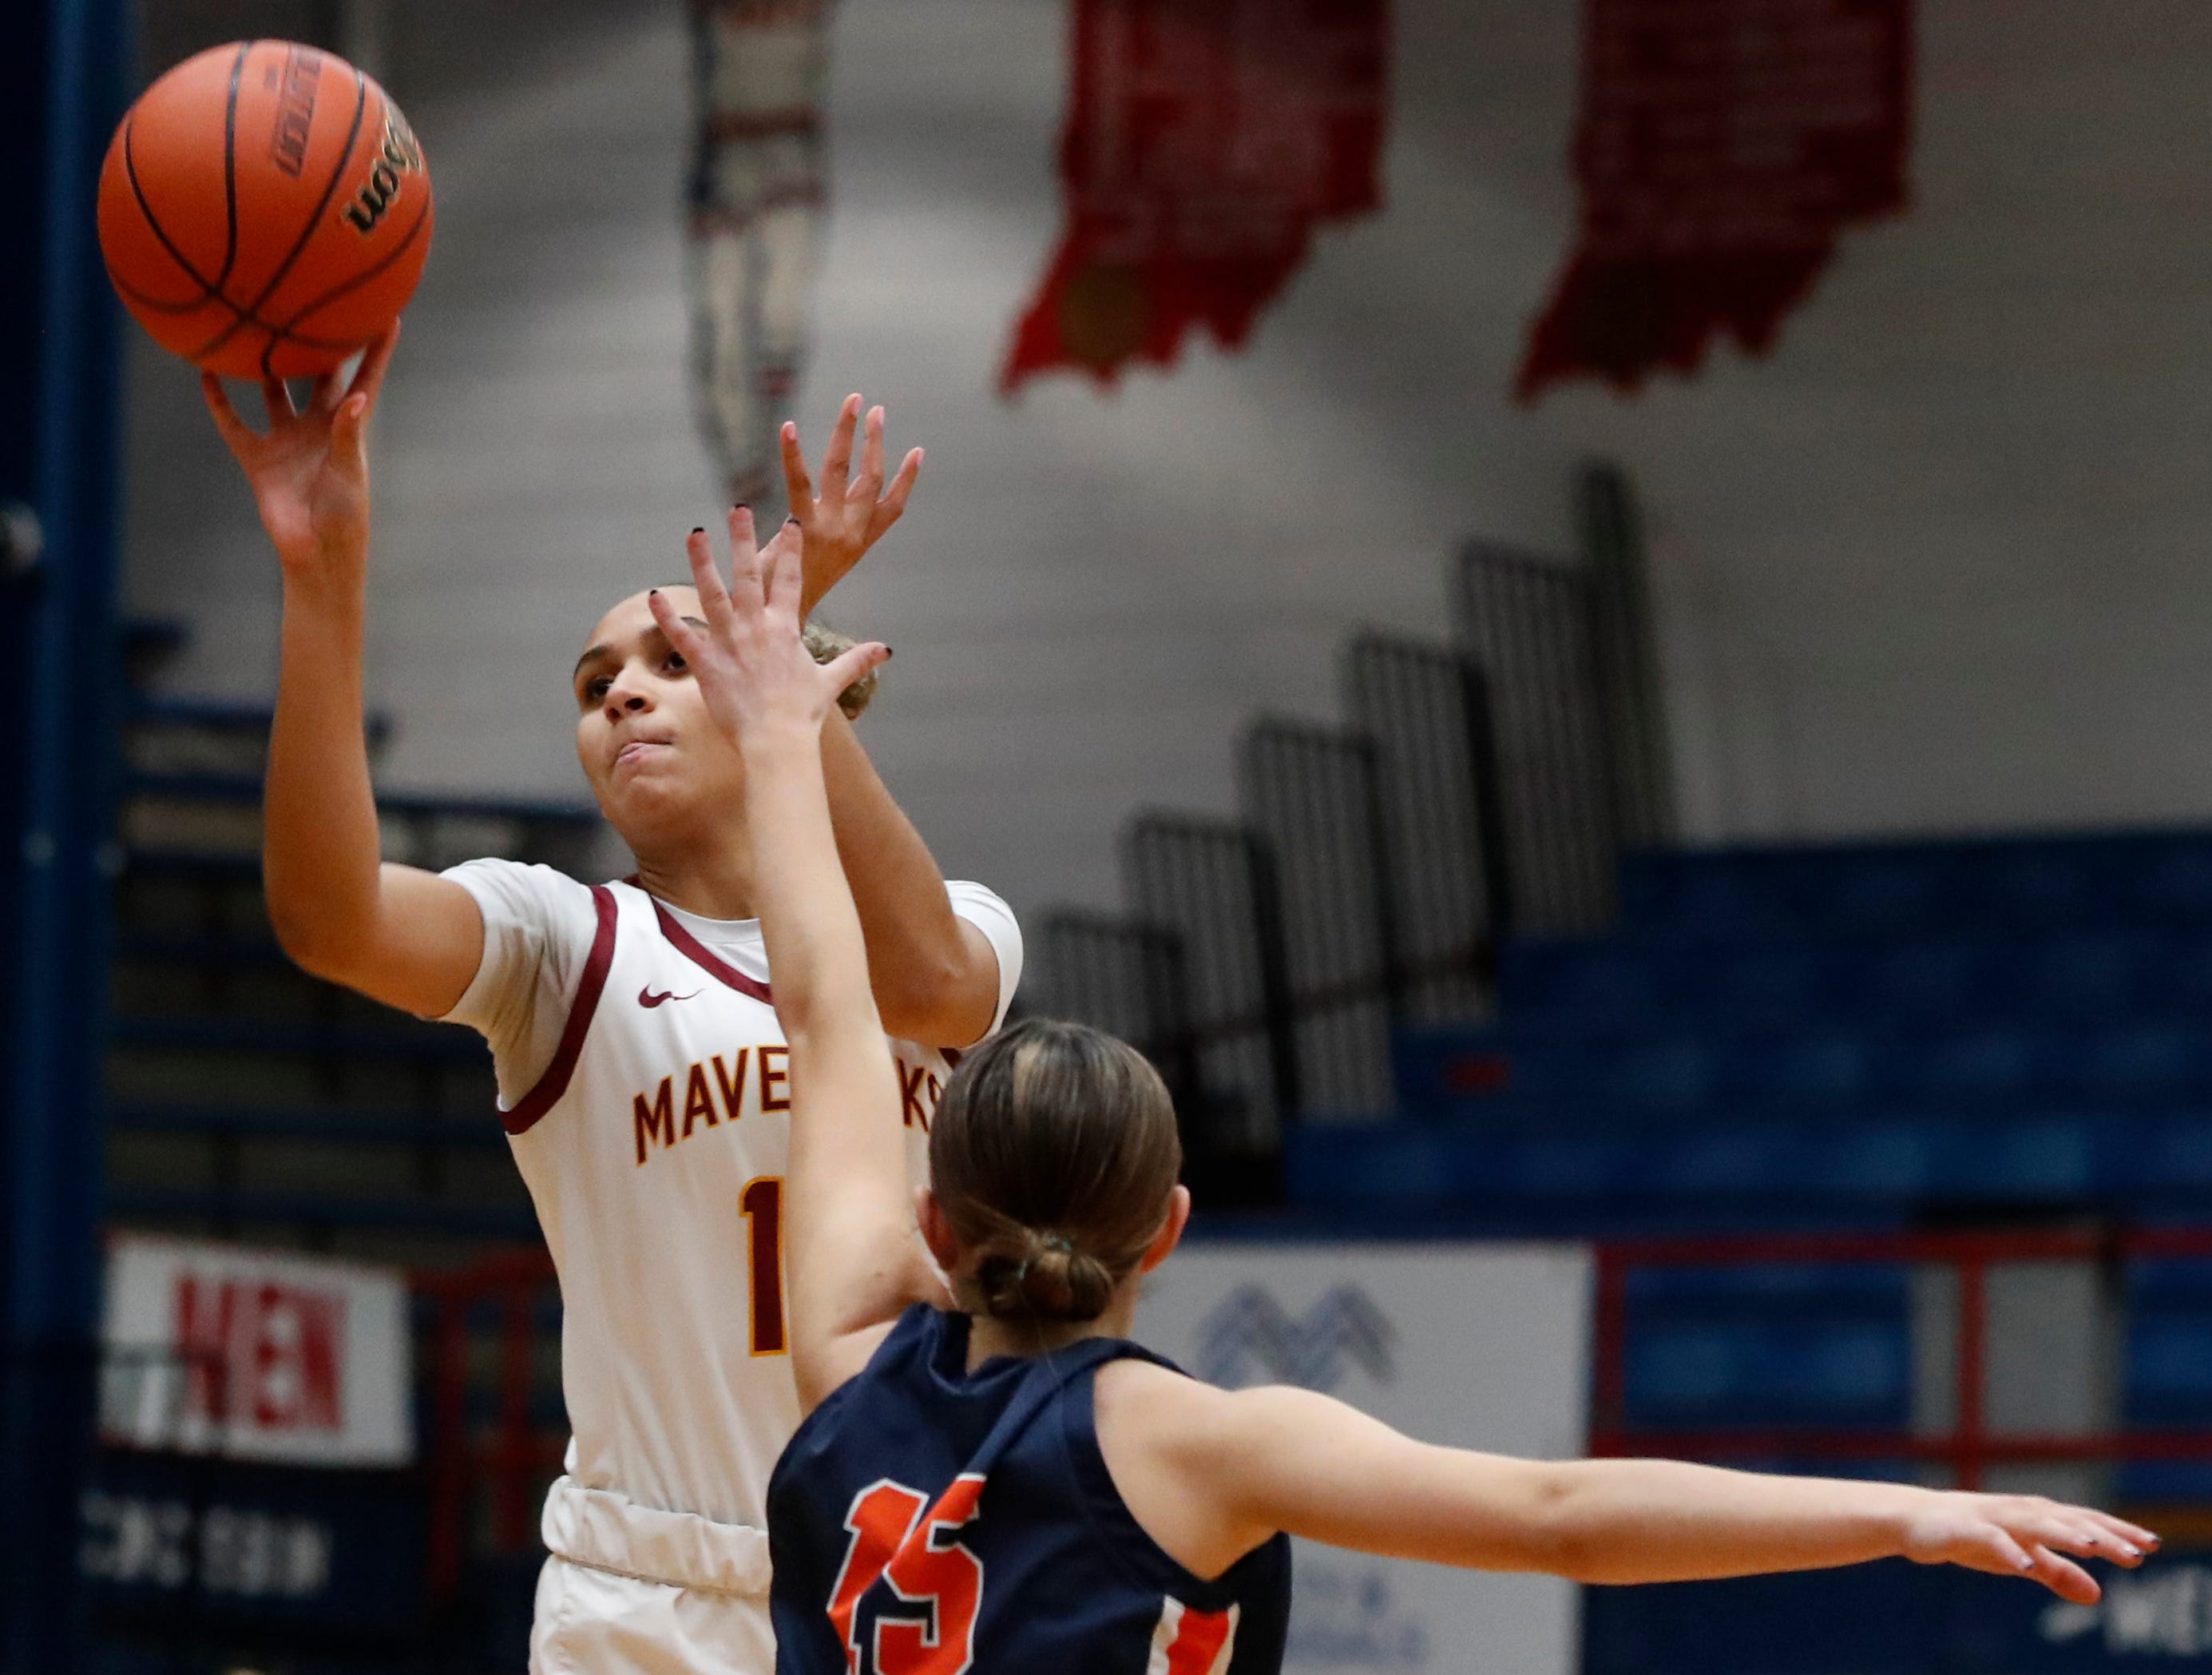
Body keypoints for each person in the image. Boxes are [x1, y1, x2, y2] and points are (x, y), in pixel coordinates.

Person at [672, 522, 2163, 1674]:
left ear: (933, 1215)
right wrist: (1903, 1515)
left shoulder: (845, 1360)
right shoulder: (1198, 1444)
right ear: (1170, 1227)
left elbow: (821, 1002)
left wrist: (781, 741)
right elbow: (1553, 1518)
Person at [200, 328, 1023, 1675]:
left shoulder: (957, 924)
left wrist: (778, 674)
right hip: (651, 1593)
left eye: (670, 658)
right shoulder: (562, 941)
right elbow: (329, 916)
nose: (622, 690)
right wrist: (323, 575)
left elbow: (932, 982)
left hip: (901, 1576)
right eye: (595, 686)